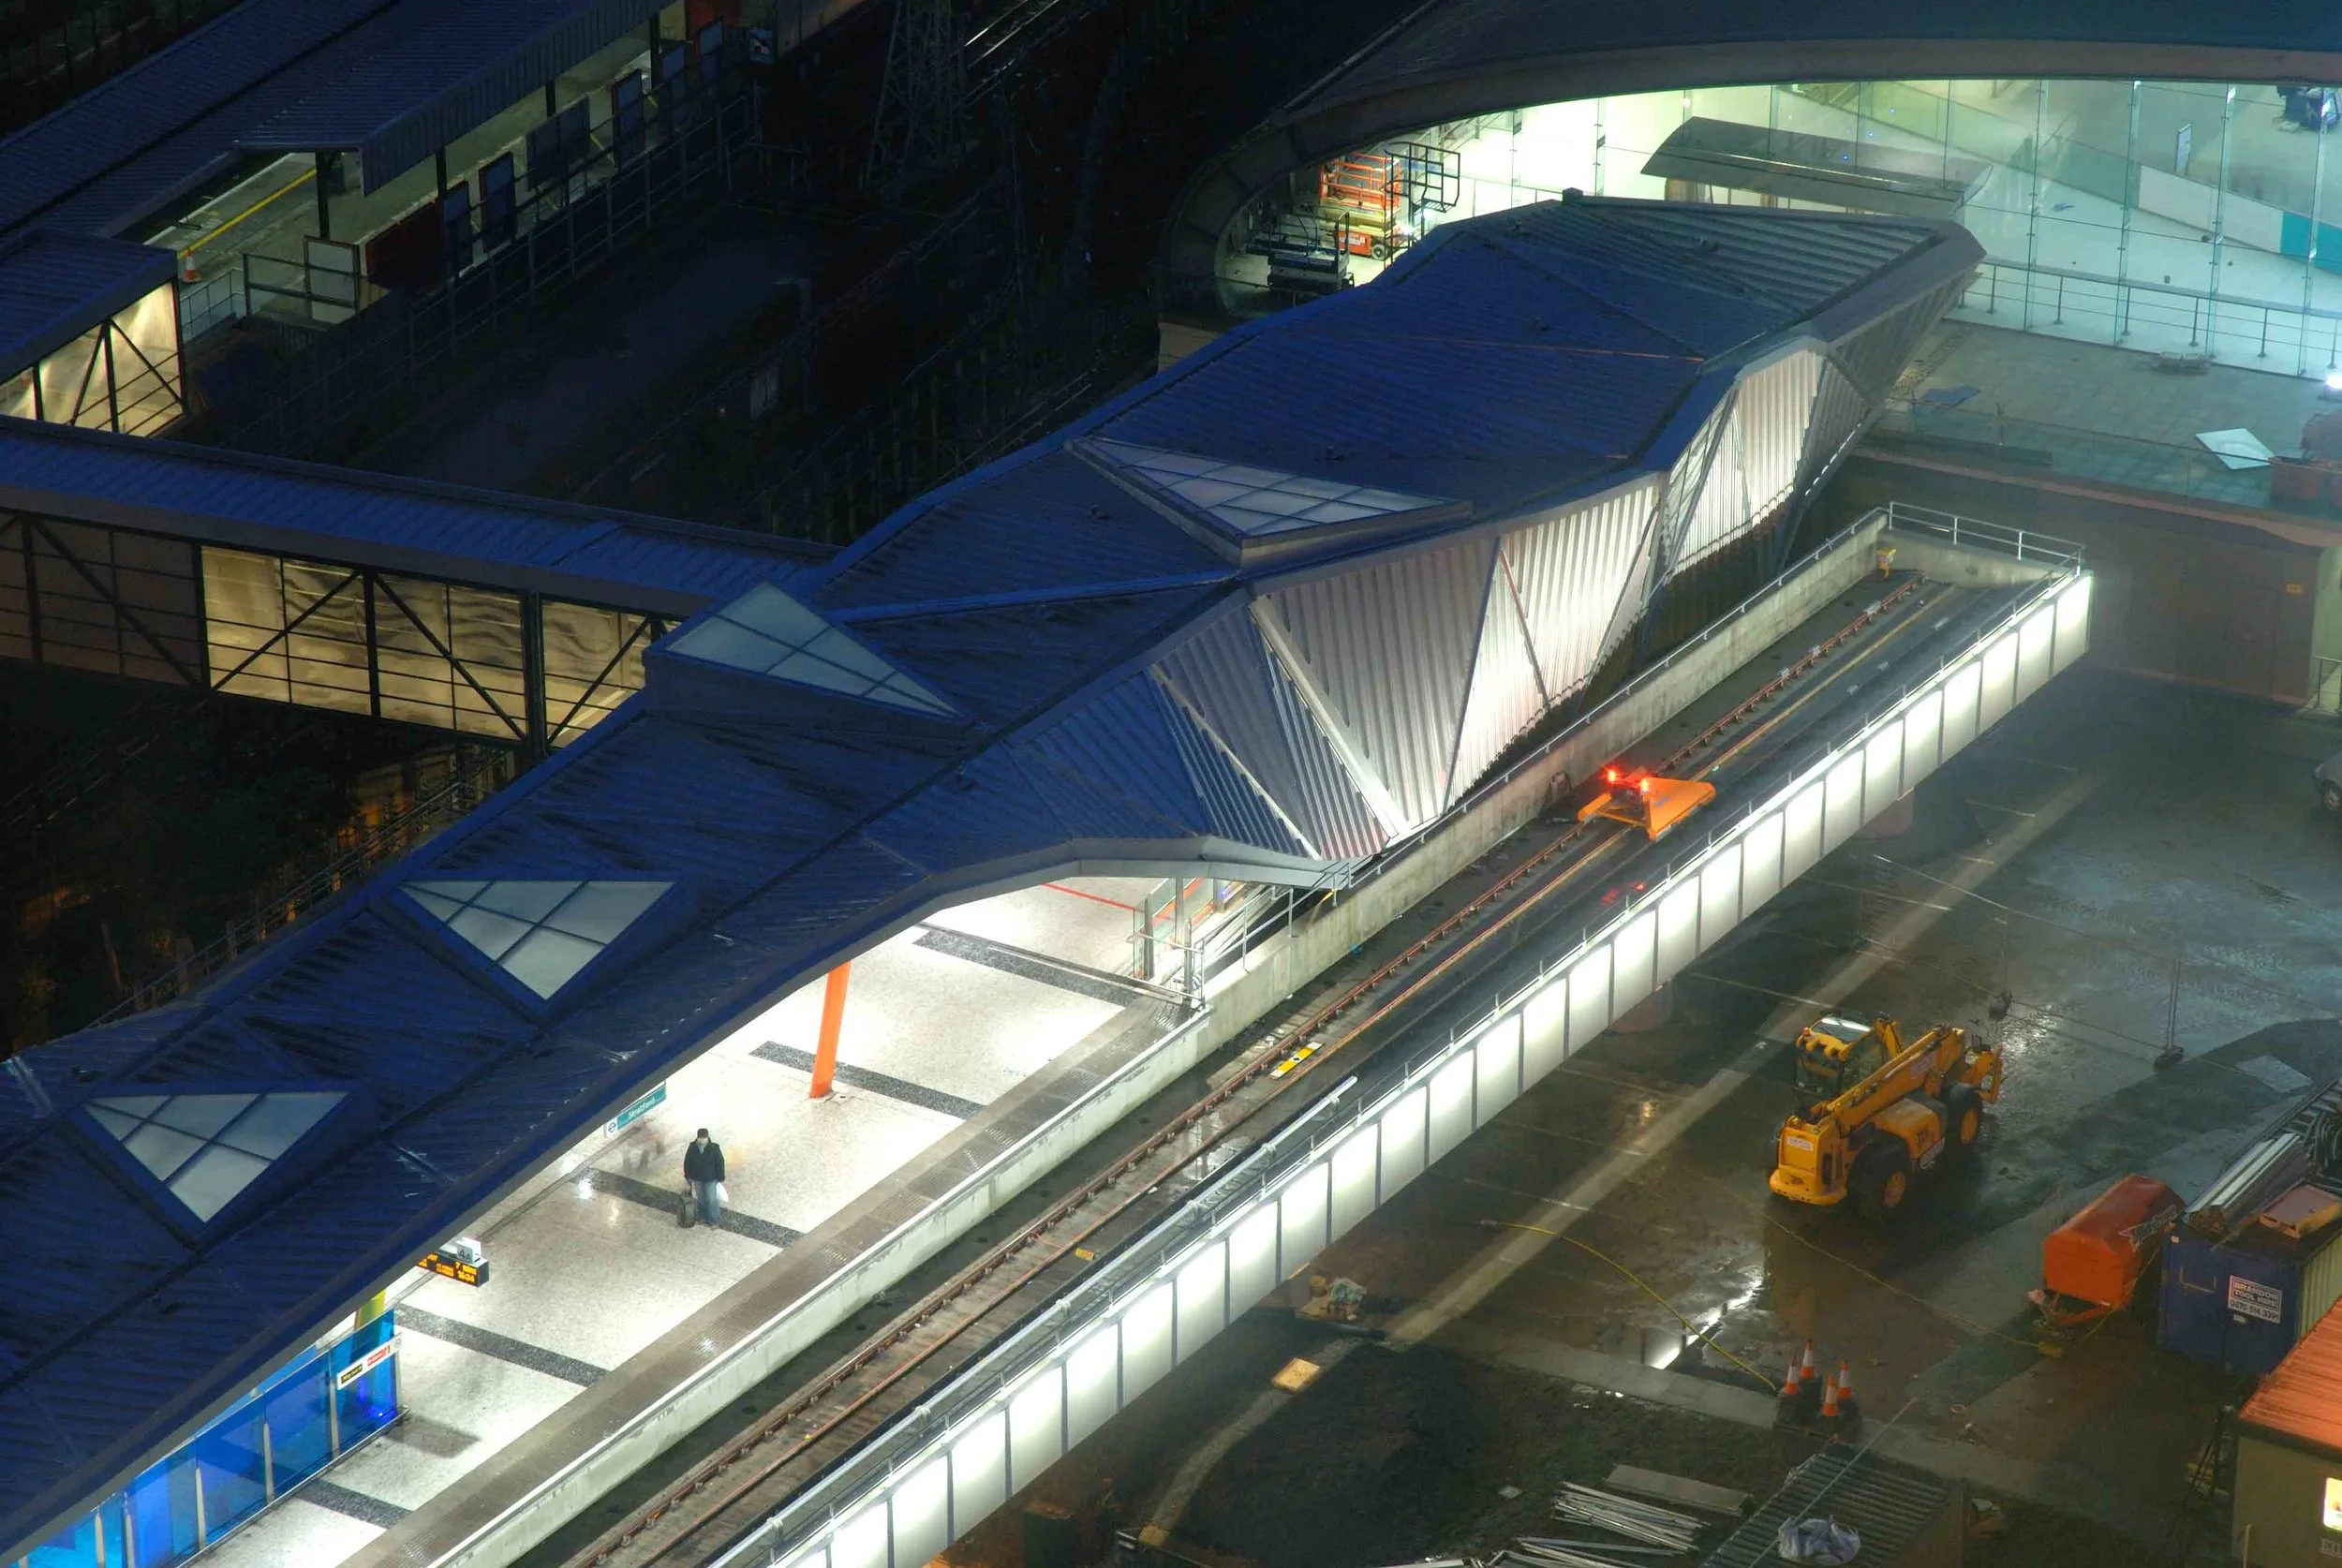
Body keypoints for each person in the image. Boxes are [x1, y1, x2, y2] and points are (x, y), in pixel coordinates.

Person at [682, 1128, 725, 1227]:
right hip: (697, 1178)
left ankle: (715, 1221)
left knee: (711, 1200)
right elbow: (687, 1162)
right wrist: (687, 1176)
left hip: (711, 1178)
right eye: (700, 1138)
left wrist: (721, 1176)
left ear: (707, 1137)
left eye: (704, 1138)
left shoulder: (714, 1148)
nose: (701, 1140)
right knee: (701, 1199)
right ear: (697, 1138)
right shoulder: (692, 1147)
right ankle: (703, 1217)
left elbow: (720, 1163)